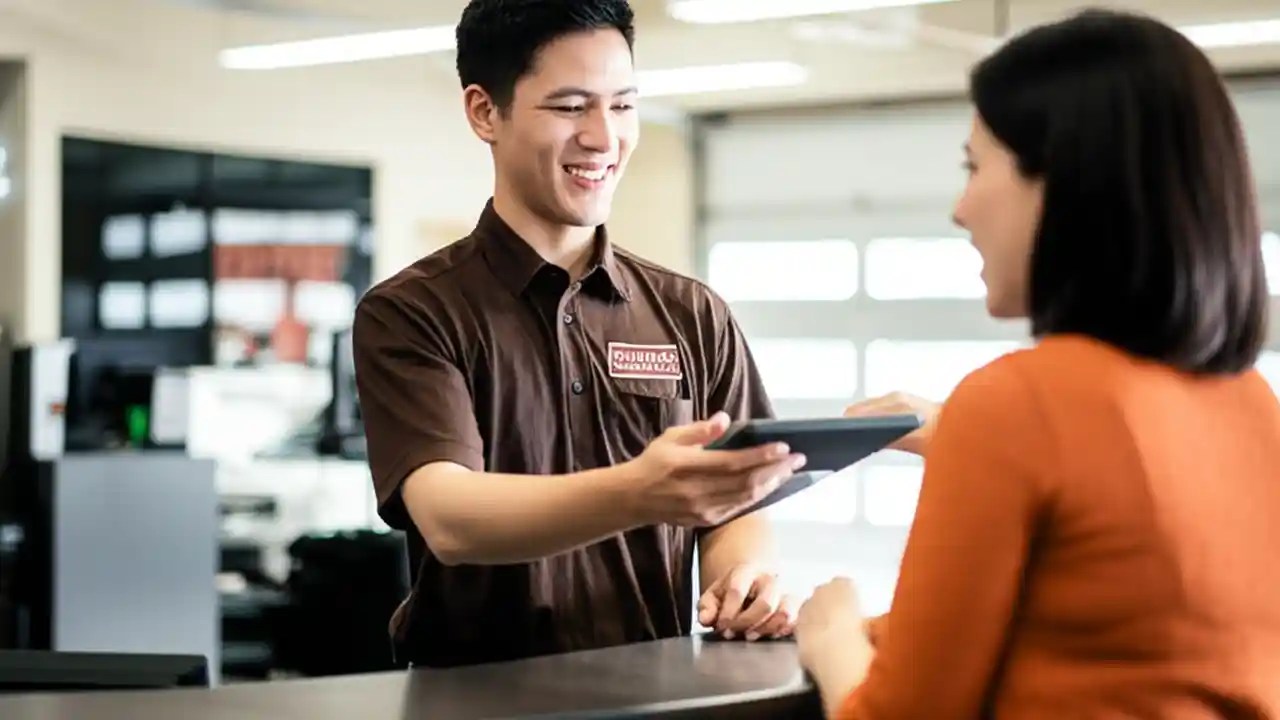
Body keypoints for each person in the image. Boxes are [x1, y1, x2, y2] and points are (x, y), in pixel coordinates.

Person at [796, 9, 1280, 718]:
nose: (960, 209)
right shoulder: (1252, 403)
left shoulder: (1015, 403)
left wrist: (833, 635)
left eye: (975, 166)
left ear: (1061, 181)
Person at [352, 0, 803, 668]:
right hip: (472, 706)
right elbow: (450, 516)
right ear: (484, 112)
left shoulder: (693, 313)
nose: (603, 137)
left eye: (622, 106)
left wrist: (742, 580)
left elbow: (738, 499)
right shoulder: (414, 312)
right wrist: (639, 490)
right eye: (569, 107)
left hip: (656, 697)